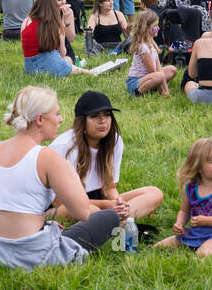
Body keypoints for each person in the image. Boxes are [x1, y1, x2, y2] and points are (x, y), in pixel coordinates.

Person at [0, 86, 121, 270]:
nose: (61, 119)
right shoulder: (46, 157)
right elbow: (82, 212)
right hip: (33, 255)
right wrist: (69, 169)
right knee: (109, 218)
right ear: (40, 119)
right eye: (56, 114)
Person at [47, 90, 163, 222]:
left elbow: (109, 188)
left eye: (107, 115)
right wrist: (106, 205)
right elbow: (58, 202)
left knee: (154, 193)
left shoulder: (114, 140)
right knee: (92, 211)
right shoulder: (65, 146)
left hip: (98, 199)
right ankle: (116, 221)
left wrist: (118, 203)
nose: (102, 121)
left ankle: (118, 219)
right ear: (82, 121)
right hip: (64, 206)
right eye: (94, 116)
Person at [155, 138, 212, 256]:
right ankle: (197, 243)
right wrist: (179, 224)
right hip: (196, 232)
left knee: (202, 254)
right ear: (198, 167)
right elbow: (184, 211)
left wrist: (206, 220)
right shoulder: (190, 188)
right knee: (159, 247)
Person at [21, 0, 86, 79]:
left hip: (30, 67)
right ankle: (92, 72)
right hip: (50, 63)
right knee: (79, 70)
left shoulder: (26, 22)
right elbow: (62, 53)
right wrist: (63, 23)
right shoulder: (53, 25)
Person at [125, 9, 176, 96]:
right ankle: (138, 93)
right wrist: (163, 93)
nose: (159, 28)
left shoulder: (151, 43)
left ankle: (151, 88)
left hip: (149, 77)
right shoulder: (143, 47)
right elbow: (153, 71)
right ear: (146, 27)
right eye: (155, 25)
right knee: (159, 76)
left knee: (172, 69)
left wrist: (166, 92)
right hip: (135, 82)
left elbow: (159, 68)